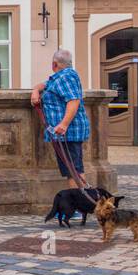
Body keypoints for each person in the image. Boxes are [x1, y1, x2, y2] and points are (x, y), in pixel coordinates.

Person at [31, 48, 91, 181]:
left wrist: (63, 124)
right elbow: (44, 84)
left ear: (54, 64)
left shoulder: (66, 77)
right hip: (64, 134)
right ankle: (78, 199)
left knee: (74, 170)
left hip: (68, 132)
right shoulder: (60, 77)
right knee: (71, 170)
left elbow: (74, 101)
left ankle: (79, 201)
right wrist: (35, 90)